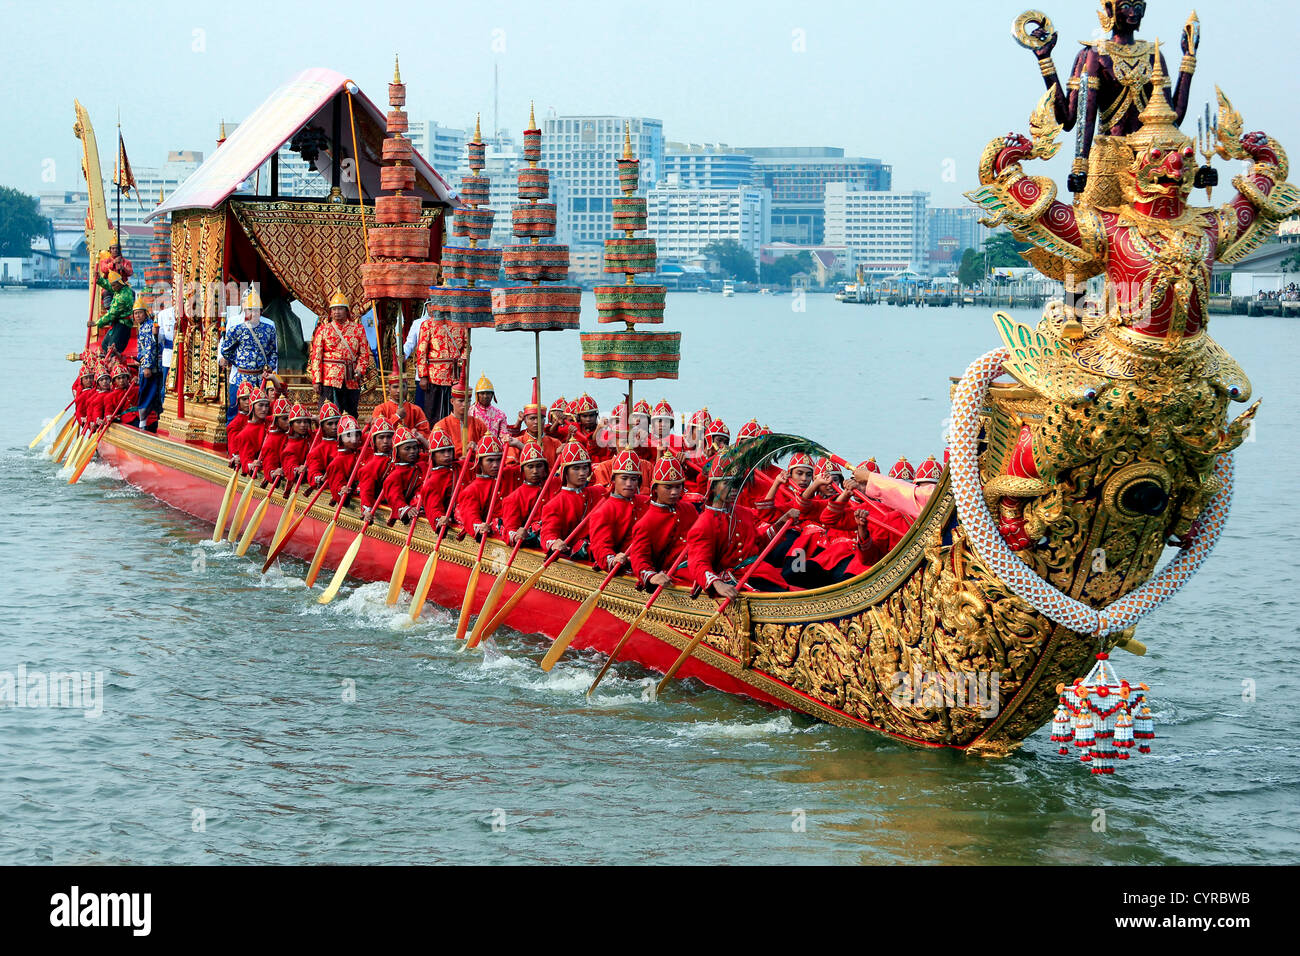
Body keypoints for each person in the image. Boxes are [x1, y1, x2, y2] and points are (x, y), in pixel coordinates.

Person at [685, 459, 795, 597]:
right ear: (713, 486)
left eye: (736, 484)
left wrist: (781, 523)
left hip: (761, 574)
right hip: (734, 582)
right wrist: (717, 584)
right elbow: (698, 562)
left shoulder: (744, 513)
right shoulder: (704, 523)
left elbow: (758, 546)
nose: (733, 489)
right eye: (727, 483)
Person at [627, 453, 698, 589]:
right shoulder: (645, 523)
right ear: (655, 489)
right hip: (675, 574)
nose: (674, 492)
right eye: (668, 487)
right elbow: (639, 558)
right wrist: (651, 576)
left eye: (678, 487)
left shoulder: (689, 509)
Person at [218, 288, 278, 424]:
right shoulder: (236, 328)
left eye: (257, 310)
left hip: (260, 378)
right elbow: (225, 349)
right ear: (245, 310)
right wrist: (239, 361)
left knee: (259, 414)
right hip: (241, 378)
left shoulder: (269, 328)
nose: (254, 313)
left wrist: (270, 367)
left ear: (261, 311)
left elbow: (273, 351)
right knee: (235, 413)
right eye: (250, 310)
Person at [539, 440, 608, 556]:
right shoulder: (555, 504)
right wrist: (554, 543)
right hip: (575, 555)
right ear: (565, 472)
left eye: (585, 467)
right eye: (576, 468)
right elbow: (548, 533)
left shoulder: (599, 493)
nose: (582, 473)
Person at [586, 449, 648, 571]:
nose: (629, 484)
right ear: (613, 479)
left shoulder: (645, 503)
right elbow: (601, 546)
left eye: (634, 479)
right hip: (623, 565)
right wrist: (613, 560)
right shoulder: (604, 511)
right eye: (624, 478)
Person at [310, 291, 369, 418]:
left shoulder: (358, 329)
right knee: (328, 413)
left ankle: (349, 436)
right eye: (334, 309)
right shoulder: (323, 330)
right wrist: (317, 380)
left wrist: (360, 370)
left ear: (347, 311)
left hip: (350, 377)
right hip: (329, 379)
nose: (336, 312)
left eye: (340, 309)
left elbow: (364, 354)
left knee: (350, 413)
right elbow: (316, 356)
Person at [455, 434, 520, 538]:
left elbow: (536, 466)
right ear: (480, 462)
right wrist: (480, 527)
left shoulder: (509, 474)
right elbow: (471, 516)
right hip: (494, 532)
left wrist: (518, 444)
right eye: (490, 460)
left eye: (499, 459)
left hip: (518, 528)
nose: (495, 465)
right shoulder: (472, 490)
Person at [414, 300, 467, 425]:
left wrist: (462, 364)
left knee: (454, 410)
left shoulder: (460, 324)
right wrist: (423, 376)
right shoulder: (428, 324)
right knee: (433, 412)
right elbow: (421, 351)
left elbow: (466, 346)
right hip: (434, 376)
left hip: (455, 375)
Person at [501, 440, 553, 545]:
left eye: (539, 466)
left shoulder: (555, 485)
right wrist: (516, 536)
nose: (535, 471)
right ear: (522, 470)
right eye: (530, 467)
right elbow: (509, 530)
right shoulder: (513, 498)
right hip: (534, 542)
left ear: (545, 468)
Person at [382, 426, 428, 525]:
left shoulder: (421, 464)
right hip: (413, 508)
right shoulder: (394, 476)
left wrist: (422, 440)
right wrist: (406, 509)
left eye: (415, 448)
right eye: (407, 449)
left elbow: (435, 456)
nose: (412, 451)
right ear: (397, 452)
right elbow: (395, 498)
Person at [134, 292, 164, 432]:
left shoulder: (148, 327)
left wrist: (146, 366)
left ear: (146, 313)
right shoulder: (143, 327)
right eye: (135, 314)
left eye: (140, 313)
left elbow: (151, 347)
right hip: (147, 364)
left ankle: (143, 423)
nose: (137, 316)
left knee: (148, 392)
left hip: (150, 367)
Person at [432, 383, 487, 457]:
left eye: (468, 401)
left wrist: (477, 447)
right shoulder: (441, 425)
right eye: (461, 401)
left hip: (473, 465)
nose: (465, 404)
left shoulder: (478, 424)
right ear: (452, 401)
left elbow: (487, 448)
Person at [418, 429, 459, 528]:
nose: (447, 455)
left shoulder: (460, 466)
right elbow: (433, 508)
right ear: (433, 455)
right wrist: (439, 519)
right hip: (451, 519)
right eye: (442, 452)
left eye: (449, 450)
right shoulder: (432, 482)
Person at [358, 419, 396, 518]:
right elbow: (366, 491)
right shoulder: (370, 467)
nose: (385, 441)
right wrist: (366, 510)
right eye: (381, 437)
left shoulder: (402, 457)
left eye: (389, 437)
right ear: (374, 441)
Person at [93, 271, 136, 358]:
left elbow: (111, 314)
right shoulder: (120, 288)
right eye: (112, 285)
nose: (113, 288)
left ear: (119, 283)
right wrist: (99, 280)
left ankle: (116, 364)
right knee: (105, 344)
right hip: (117, 323)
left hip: (123, 325)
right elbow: (110, 286)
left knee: (112, 349)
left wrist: (96, 323)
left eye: (114, 285)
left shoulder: (123, 297)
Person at [324, 415, 364, 506]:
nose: (353, 439)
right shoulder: (336, 462)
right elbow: (337, 486)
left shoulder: (362, 452)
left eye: (356, 435)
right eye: (348, 435)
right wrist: (342, 490)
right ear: (341, 438)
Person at [232, 388, 272, 476]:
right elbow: (246, 461)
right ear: (252, 407)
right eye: (260, 405)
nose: (264, 409)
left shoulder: (270, 422)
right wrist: (252, 465)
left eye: (266, 406)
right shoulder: (244, 434)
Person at [276, 404, 315, 488]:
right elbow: (290, 466)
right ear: (291, 425)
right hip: (304, 477)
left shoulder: (312, 436)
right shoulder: (290, 446)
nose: (303, 425)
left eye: (305, 422)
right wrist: (297, 469)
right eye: (298, 422)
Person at [306, 401, 342, 489]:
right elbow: (313, 472)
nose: (334, 427)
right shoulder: (317, 451)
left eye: (337, 423)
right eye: (330, 424)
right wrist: (321, 479)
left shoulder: (349, 442)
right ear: (322, 427)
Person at [257, 398, 292, 485]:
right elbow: (269, 462)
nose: (288, 422)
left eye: (290, 418)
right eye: (284, 419)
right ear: (276, 421)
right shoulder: (272, 440)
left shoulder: (296, 432)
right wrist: (273, 472)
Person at [469, 373, 509, 444]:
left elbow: (504, 437)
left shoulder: (500, 414)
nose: (485, 396)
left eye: (488, 393)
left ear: (492, 395)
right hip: (474, 449)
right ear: (477, 395)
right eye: (482, 393)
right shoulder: (469, 412)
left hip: (493, 450)